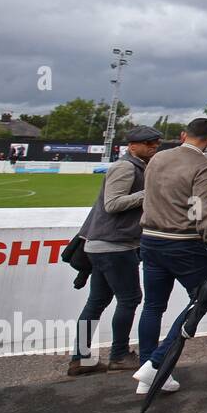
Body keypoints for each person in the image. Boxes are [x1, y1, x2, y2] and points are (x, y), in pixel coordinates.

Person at [134, 117, 207, 395]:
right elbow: (201, 210)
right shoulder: (204, 165)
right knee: (203, 297)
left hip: (150, 239)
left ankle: (148, 373)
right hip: (183, 243)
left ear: (183, 134)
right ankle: (155, 364)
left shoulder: (159, 158)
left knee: (152, 306)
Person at [66, 125, 162, 376]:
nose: (153, 147)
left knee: (97, 302)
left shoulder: (136, 166)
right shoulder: (126, 167)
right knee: (129, 299)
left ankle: (81, 358)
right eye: (148, 143)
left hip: (105, 244)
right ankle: (119, 355)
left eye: (156, 143)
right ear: (132, 146)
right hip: (115, 244)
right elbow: (113, 204)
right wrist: (148, 193)